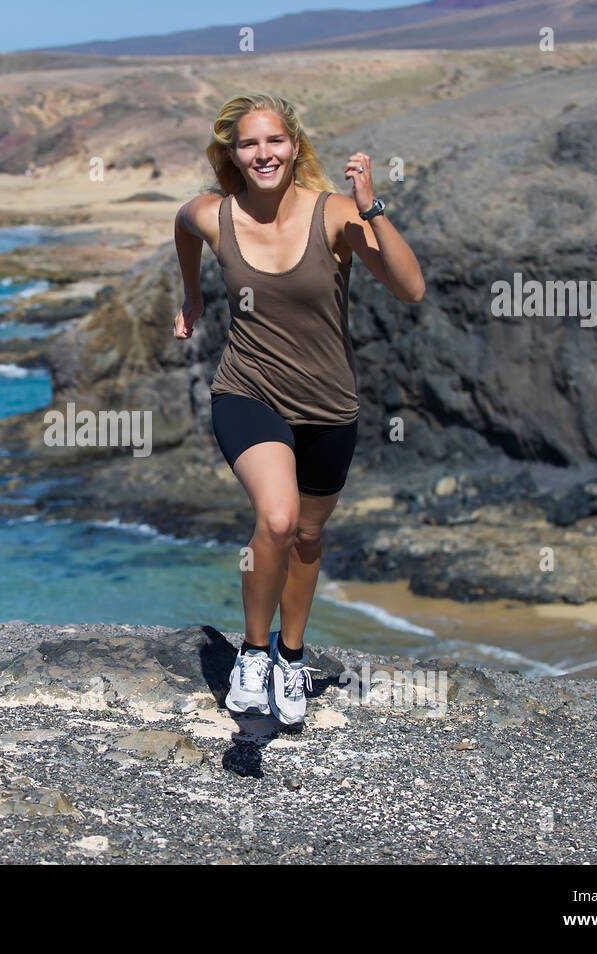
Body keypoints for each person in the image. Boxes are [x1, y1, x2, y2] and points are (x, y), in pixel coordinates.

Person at [172, 92, 425, 728]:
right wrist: (191, 294)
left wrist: (371, 206)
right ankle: (252, 655)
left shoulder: (334, 214)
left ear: (294, 146)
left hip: (330, 404)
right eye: (249, 143)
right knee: (279, 520)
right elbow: (182, 225)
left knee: (309, 536)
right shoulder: (214, 215)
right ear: (233, 154)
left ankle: (291, 656)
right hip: (247, 391)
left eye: (275, 141)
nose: (264, 153)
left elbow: (410, 287)